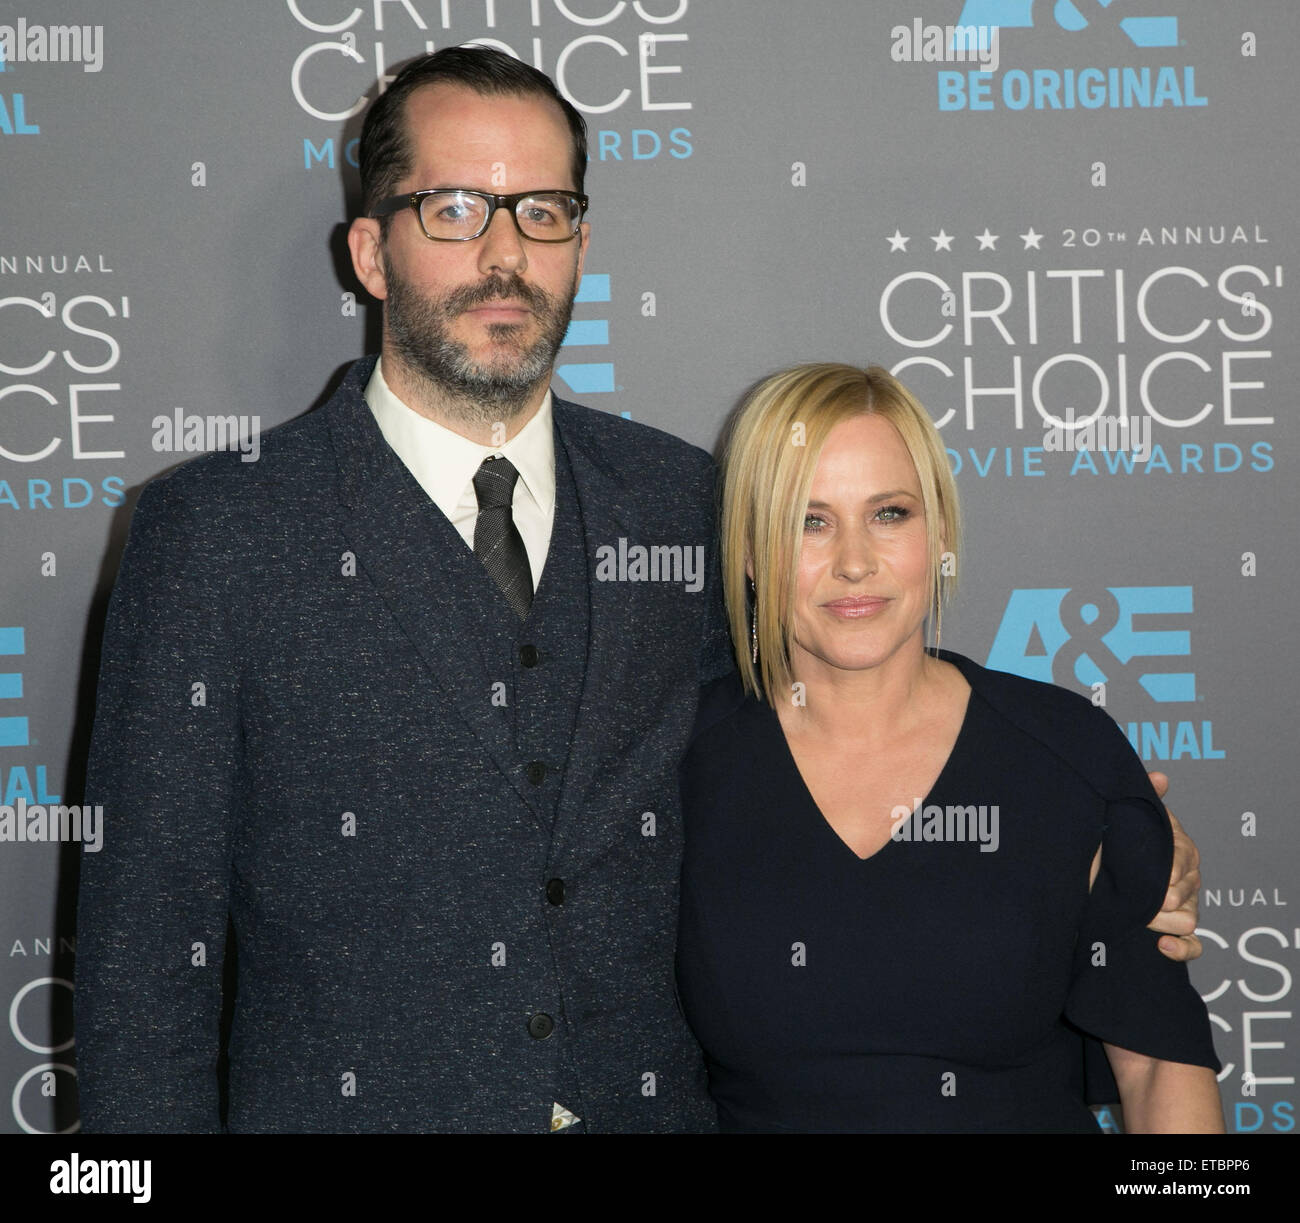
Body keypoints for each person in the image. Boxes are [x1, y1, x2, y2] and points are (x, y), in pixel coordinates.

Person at [74, 49, 1201, 1134]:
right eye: (455, 208)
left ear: (581, 241)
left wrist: (1087, 821)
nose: (504, 252)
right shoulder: (216, 533)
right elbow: (140, 960)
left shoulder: (681, 502)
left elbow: (831, 728)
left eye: (542, 211)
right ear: (371, 252)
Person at [677, 362, 1223, 1133]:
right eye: (809, 519)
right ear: (745, 549)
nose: (855, 561)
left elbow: (1164, 1070)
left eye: (890, 513)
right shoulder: (672, 764)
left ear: (940, 533)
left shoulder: (1064, 751)